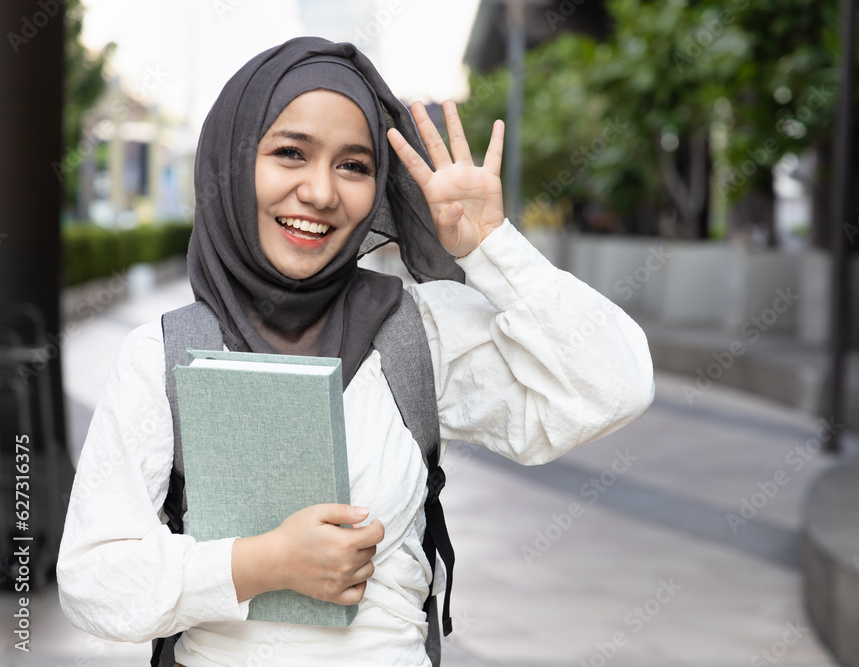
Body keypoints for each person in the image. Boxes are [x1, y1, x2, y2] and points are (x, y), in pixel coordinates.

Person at [56, 37, 654, 666]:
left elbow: (612, 387)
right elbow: (93, 581)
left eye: (353, 165)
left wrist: (493, 249)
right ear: (233, 163)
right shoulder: (165, 355)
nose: (320, 192)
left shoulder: (416, 332)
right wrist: (260, 564)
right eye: (291, 153)